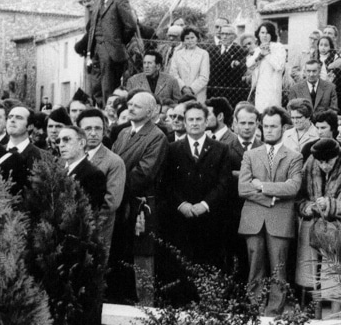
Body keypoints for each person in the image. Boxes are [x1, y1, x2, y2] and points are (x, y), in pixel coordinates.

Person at [238, 106, 304, 315]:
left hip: (280, 220)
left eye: (273, 126)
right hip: (253, 219)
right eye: (265, 126)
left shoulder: (294, 157)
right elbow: (243, 188)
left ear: (283, 128)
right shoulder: (250, 155)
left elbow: (293, 187)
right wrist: (272, 197)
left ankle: (274, 312)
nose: (268, 130)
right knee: (254, 267)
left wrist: (262, 186)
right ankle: (255, 311)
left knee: (279, 268)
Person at [295, 138, 341, 318]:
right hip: (313, 226)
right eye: (321, 162)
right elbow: (300, 196)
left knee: (335, 274)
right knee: (312, 272)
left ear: (337, 157)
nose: (324, 166)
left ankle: (334, 316)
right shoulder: (310, 164)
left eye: (329, 162)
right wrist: (308, 207)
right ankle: (314, 315)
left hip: (340, 227)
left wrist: (331, 204)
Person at [110, 92, 168, 303]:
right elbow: (112, 161)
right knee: (121, 254)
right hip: (120, 202)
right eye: (130, 104)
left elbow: (144, 173)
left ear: (150, 112)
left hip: (139, 205)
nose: (131, 108)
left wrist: (114, 186)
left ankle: (145, 305)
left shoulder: (156, 136)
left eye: (137, 106)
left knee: (142, 256)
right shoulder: (123, 133)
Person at [161, 102, 233, 269]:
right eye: (190, 119)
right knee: (180, 264)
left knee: (209, 264)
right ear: (185, 123)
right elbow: (166, 182)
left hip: (210, 218)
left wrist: (205, 205)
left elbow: (224, 183)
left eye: (199, 119)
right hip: (180, 219)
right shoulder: (172, 149)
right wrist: (182, 205)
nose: (194, 123)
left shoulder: (221, 149)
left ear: (206, 122)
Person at [82, 0, 138, 106]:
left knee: (108, 88)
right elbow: (92, 27)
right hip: (96, 51)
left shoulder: (120, 1)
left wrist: (117, 42)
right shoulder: (97, 2)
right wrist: (89, 51)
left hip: (112, 53)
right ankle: (101, 113)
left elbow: (130, 26)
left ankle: (110, 115)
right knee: (96, 88)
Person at [77, 108, 126, 263]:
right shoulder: (70, 156)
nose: (93, 133)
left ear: (104, 131)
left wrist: (86, 224)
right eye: (88, 129)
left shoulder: (114, 161)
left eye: (97, 128)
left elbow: (111, 202)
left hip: (97, 230)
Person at [58, 125, 107, 210]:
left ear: (81, 143)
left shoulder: (93, 174)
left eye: (66, 139)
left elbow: (90, 211)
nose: (61, 145)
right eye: (59, 141)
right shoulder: (58, 168)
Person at [246, 21, 286, 112]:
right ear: (258, 34)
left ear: (272, 34)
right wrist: (260, 54)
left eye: (267, 33)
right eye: (262, 32)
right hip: (259, 88)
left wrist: (267, 54)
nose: (264, 35)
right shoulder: (258, 49)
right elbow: (249, 64)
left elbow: (279, 66)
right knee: (259, 112)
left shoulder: (278, 47)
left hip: (272, 88)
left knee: (271, 112)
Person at [167, 26, 210, 103]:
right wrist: (183, 88)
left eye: (192, 38)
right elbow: (173, 73)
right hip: (180, 93)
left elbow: (204, 76)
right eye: (187, 38)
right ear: (183, 40)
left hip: (197, 94)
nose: (190, 41)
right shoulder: (177, 54)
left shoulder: (203, 54)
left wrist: (191, 89)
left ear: (197, 38)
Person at [208, 25, 248, 108]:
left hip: (232, 91)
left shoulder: (240, 50)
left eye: (228, 34)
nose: (224, 36)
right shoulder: (212, 50)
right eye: (222, 34)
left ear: (234, 36)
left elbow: (241, 70)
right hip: (214, 90)